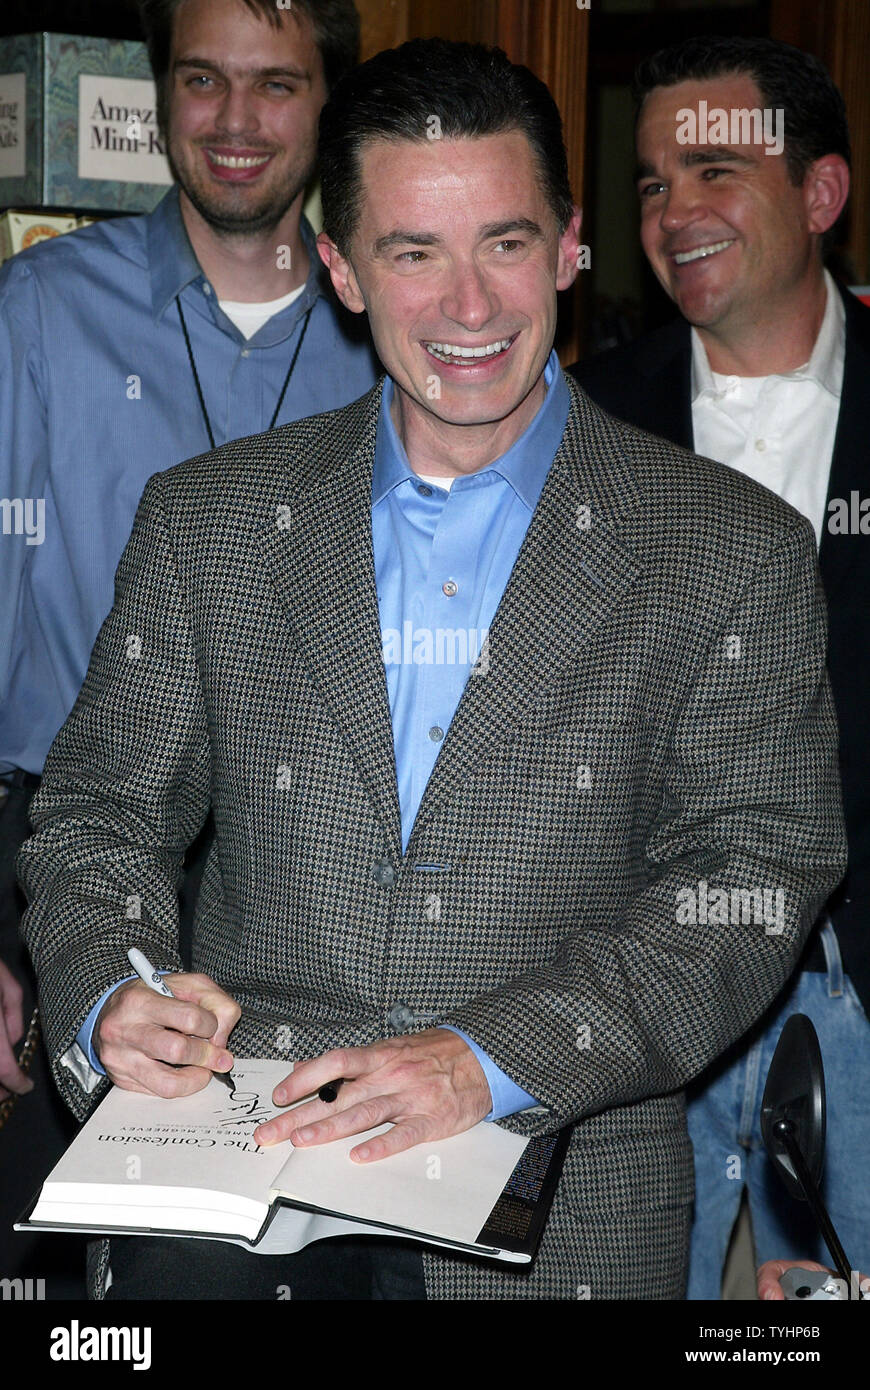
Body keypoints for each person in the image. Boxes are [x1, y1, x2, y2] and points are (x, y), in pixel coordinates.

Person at [19, 36, 846, 1302]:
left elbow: (753, 873)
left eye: (506, 244)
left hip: (563, 1210)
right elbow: (96, 813)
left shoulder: (730, 551)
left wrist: (490, 1057)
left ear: (571, 246)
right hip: (236, 1201)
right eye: (414, 253)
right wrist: (111, 996)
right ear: (342, 269)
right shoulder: (212, 520)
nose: (470, 308)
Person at [0, 0, 374, 1294]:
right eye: (203, 80)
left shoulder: (393, 329)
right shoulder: (39, 310)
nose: (232, 121)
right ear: (158, 94)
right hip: (58, 877)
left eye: (277, 85)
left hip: (312, 906)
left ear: (328, 103)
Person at [570, 36, 870, 1298]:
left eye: (712, 171)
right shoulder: (574, 418)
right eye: (649, 183)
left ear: (820, 194)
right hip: (641, 989)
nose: (673, 212)